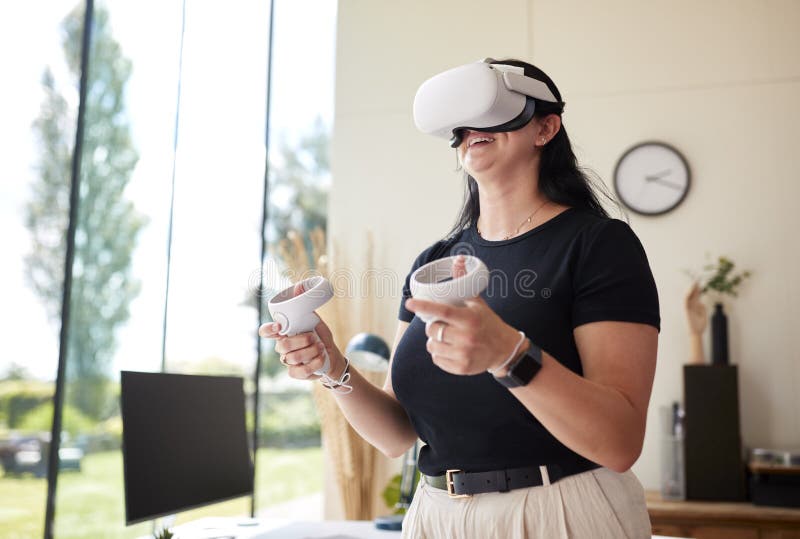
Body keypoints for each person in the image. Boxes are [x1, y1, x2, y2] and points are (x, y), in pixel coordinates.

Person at [259, 59, 660, 538]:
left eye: (494, 114)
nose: (473, 129)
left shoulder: (598, 245)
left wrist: (510, 356)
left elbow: (620, 442)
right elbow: (397, 434)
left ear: (546, 128)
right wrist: (332, 366)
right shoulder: (437, 262)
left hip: (558, 512)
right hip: (436, 516)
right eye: (463, 123)